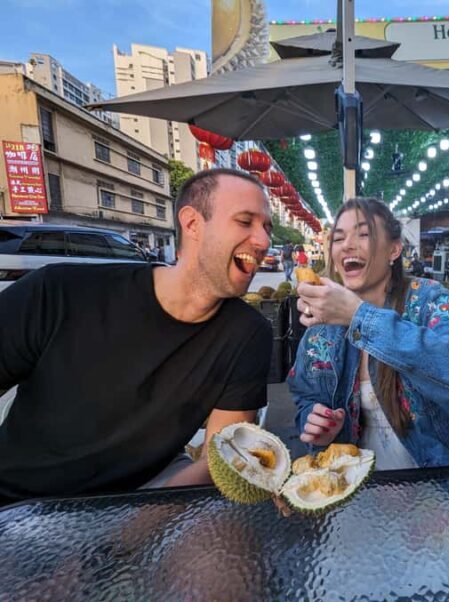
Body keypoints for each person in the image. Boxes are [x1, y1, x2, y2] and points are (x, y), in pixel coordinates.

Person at [0, 168, 273, 503]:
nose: (264, 242)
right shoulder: (57, 291)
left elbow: (221, 458)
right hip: (17, 502)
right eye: (245, 222)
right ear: (192, 224)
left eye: (267, 227)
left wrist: (132, 523)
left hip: (143, 495)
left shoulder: (248, 333)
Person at [288, 197, 449, 471]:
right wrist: (317, 424)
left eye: (363, 234)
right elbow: (306, 395)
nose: (347, 245)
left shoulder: (428, 300)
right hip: (352, 482)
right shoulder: (322, 325)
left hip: (438, 482)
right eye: (338, 238)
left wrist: (359, 317)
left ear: (394, 250)